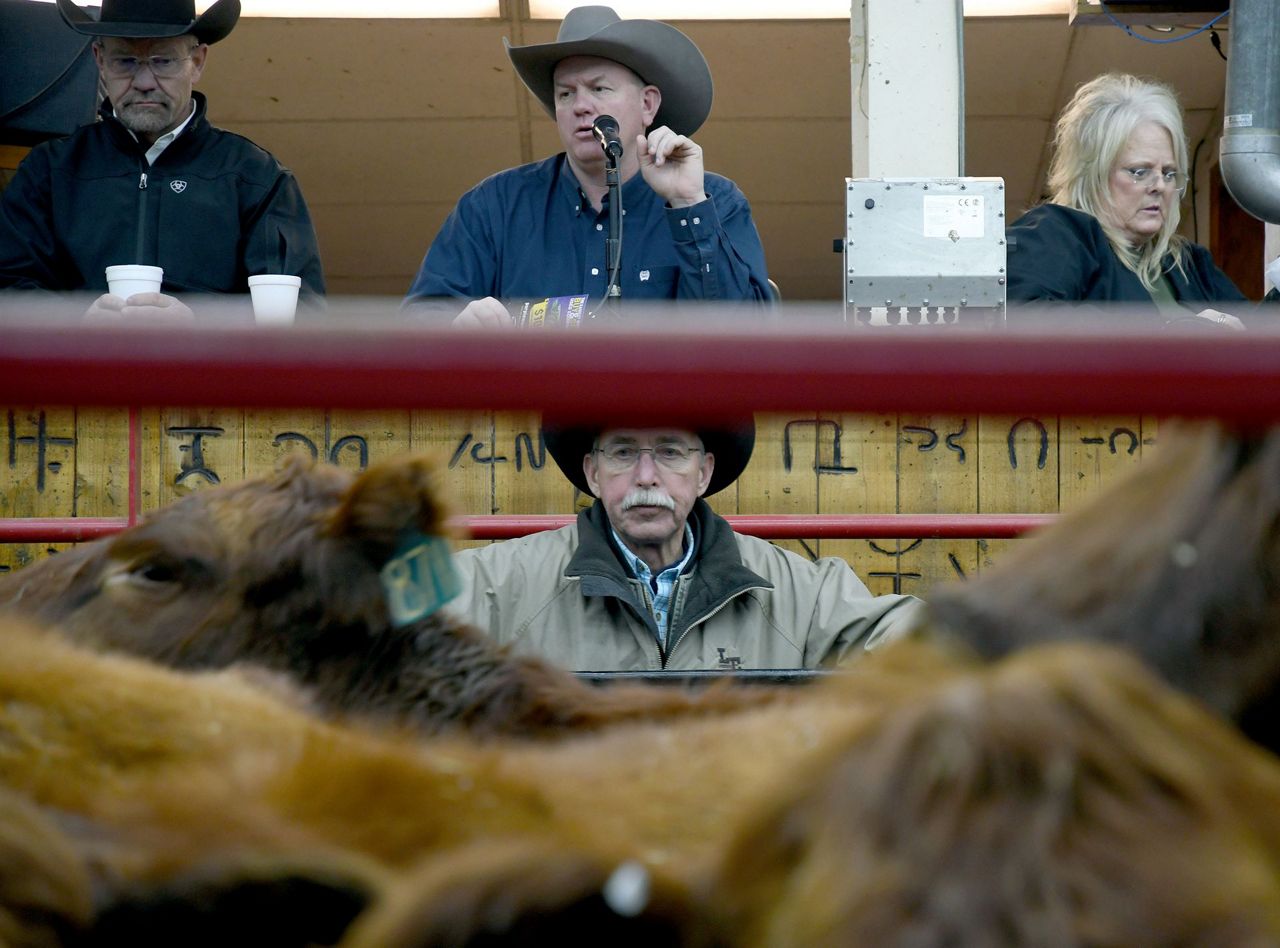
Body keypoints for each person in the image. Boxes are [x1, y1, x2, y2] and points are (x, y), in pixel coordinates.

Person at [444, 417, 922, 671]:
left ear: (704, 473)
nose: (646, 476)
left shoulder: (795, 591)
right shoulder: (508, 581)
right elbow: (399, 603)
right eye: (624, 452)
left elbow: (909, 634)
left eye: (670, 452)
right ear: (593, 472)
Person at [404, 5, 771, 327]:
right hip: (536, 404)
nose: (581, 106)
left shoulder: (714, 202)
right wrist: (456, 329)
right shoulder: (494, 207)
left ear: (648, 105)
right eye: (565, 94)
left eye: (599, 89)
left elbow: (746, 337)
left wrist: (689, 204)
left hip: (664, 406)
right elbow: (419, 322)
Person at [0, 0, 324, 320]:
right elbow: (7, 289)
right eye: (125, 61)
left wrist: (200, 329)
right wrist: (78, 323)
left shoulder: (258, 180)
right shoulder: (48, 172)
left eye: (163, 61)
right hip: (81, 372)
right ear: (99, 61)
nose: (144, 82)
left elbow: (302, 314)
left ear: (197, 61)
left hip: (208, 373)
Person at [1007, 73, 1246, 330]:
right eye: (1139, 171)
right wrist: (1173, 334)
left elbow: (1261, 340)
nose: (1159, 186)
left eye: (1168, 173)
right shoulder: (1057, 234)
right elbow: (1024, 320)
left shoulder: (1189, 263)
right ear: (1094, 175)